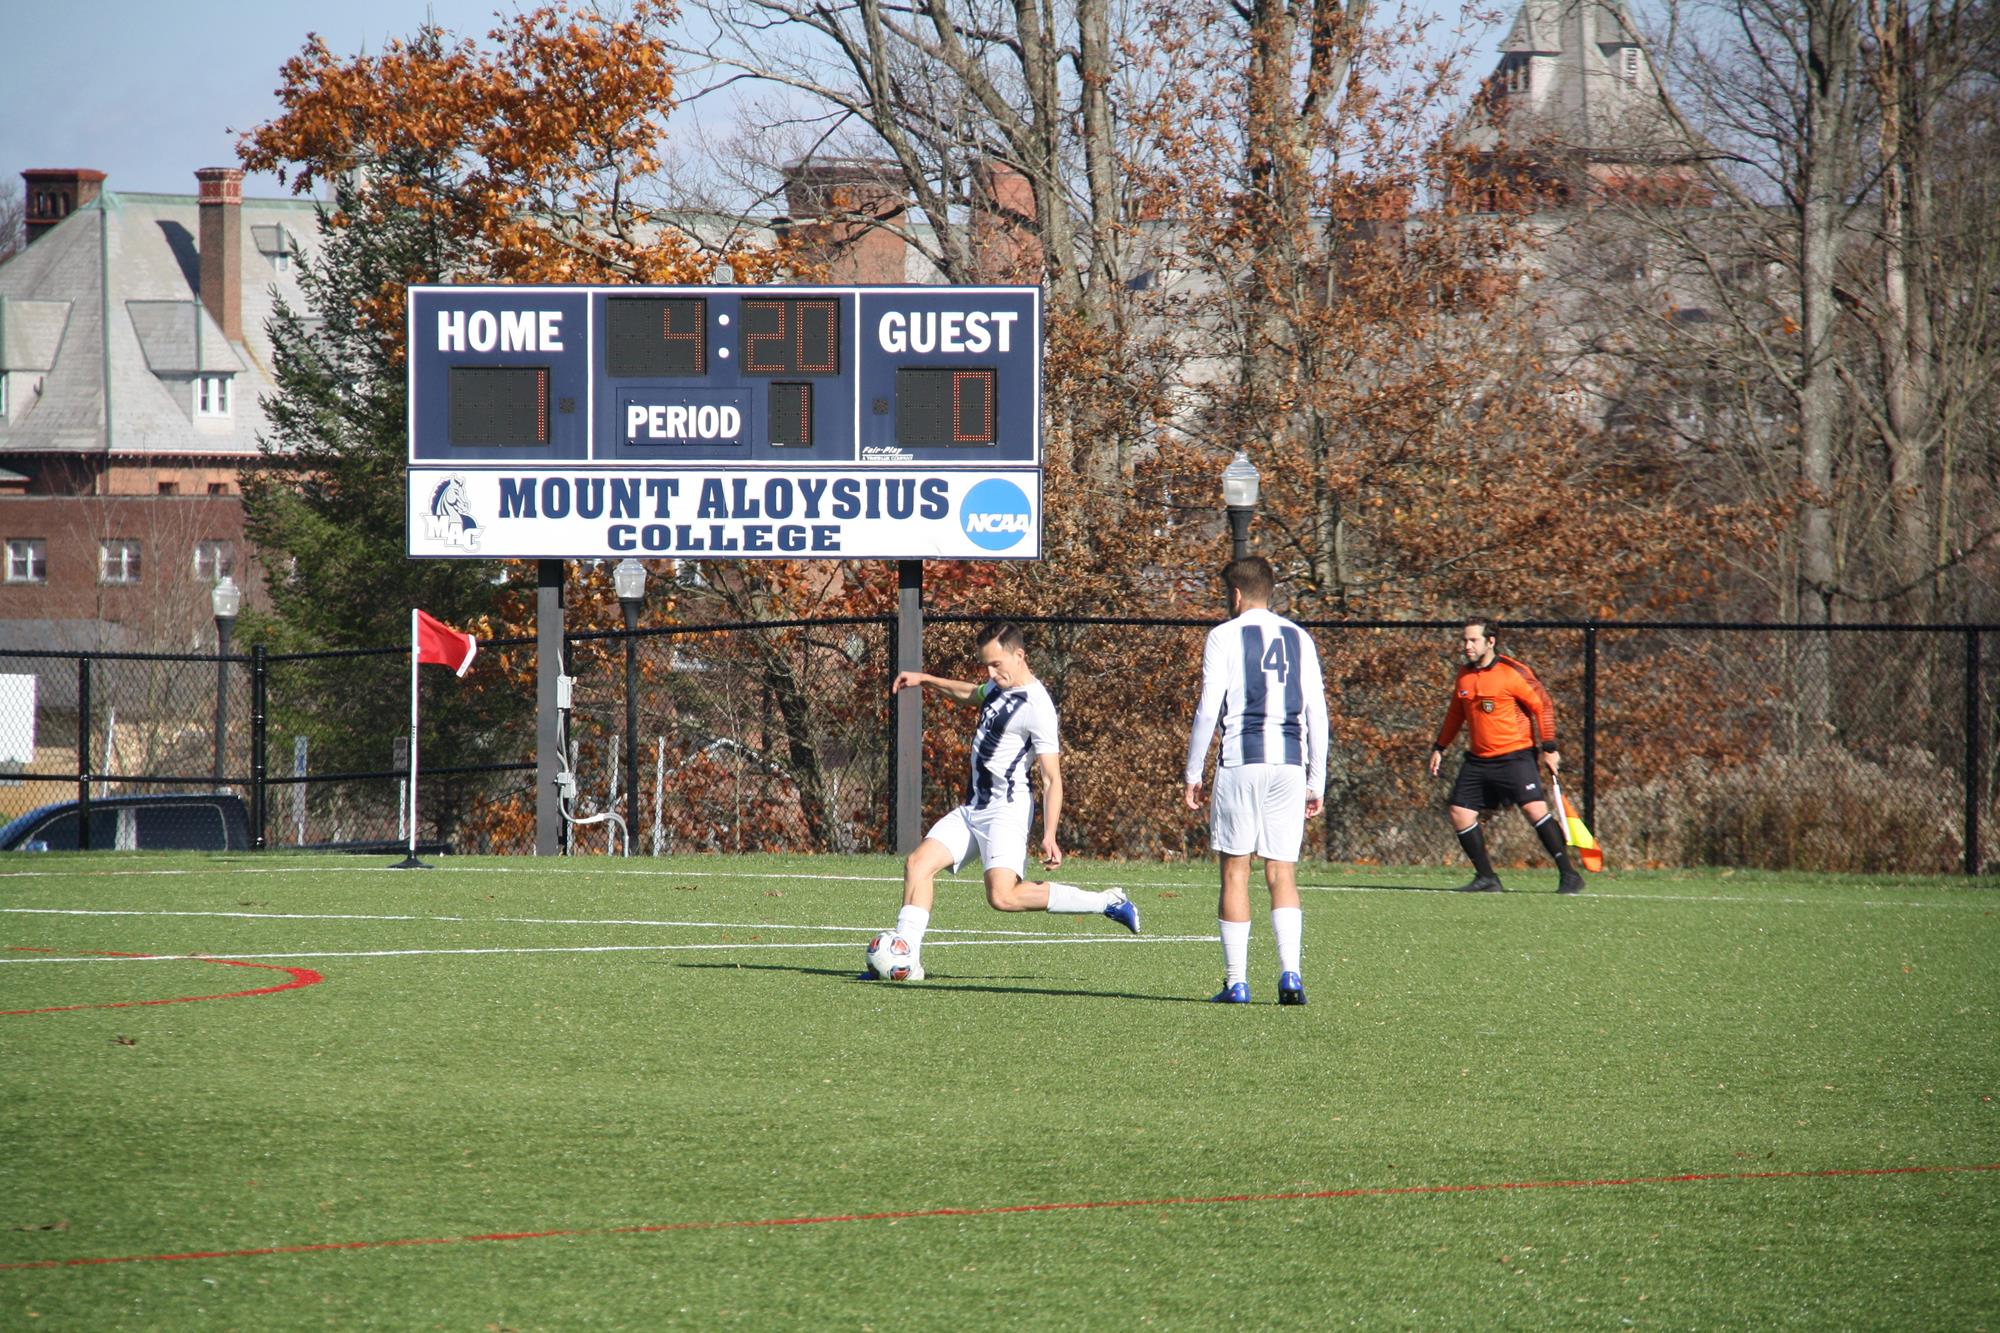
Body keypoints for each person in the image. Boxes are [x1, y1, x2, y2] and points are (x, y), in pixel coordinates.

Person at [877, 621, 1139, 981]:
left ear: (1020, 656)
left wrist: (1049, 834)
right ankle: (905, 960)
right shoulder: (999, 687)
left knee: (1003, 897)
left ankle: (1107, 902)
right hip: (974, 807)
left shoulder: (1038, 706)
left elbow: (1051, 778)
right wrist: (925, 679)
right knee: (918, 864)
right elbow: (972, 693)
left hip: (1007, 810)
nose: (990, 673)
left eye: (996, 664)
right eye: (986, 665)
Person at [1183, 557, 1329, 1006]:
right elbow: (1317, 713)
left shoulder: (1223, 636)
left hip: (1241, 761)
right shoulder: (1300, 637)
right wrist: (1316, 779)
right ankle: (1290, 976)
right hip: (1289, 763)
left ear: (1236, 596)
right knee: (1282, 871)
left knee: (1235, 870)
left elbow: (1210, 708)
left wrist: (1193, 771)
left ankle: (1237, 983)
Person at [1428, 618, 1584, 895]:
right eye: (1465, 640)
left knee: (1534, 810)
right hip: (1478, 759)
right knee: (1460, 812)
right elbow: (1455, 714)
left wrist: (1549, 747)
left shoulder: (1512, 672)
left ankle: (1569, 875)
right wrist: (1440, 747)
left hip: (1515, 756)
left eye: (1473, 640)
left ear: (1491, 642)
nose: (1467, 646)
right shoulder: (1464, 675)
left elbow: (1543, 705)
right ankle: (1487, 878)